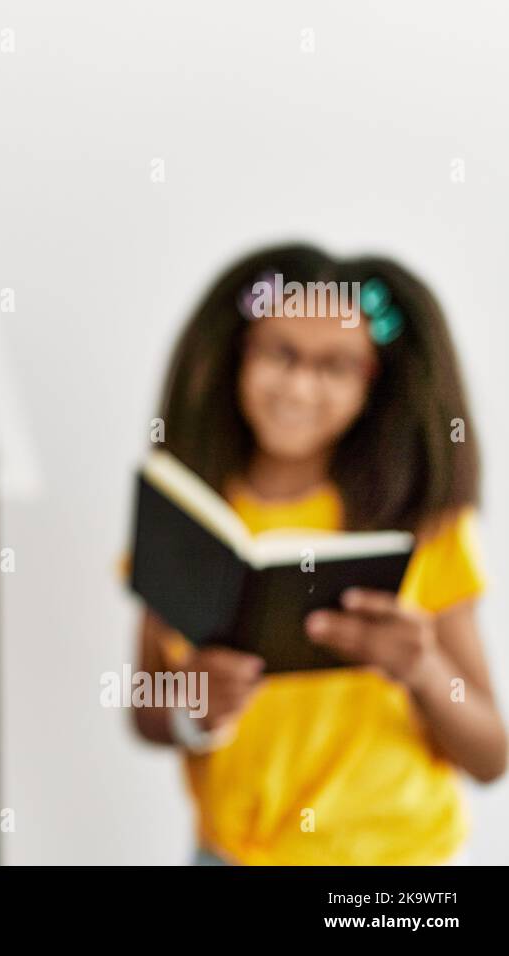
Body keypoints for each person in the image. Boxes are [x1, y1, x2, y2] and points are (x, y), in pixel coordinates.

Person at [131, 243, 507, 865]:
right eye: (281, 353)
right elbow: (144, 708)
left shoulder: (426, 524)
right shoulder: (187, 513)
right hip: (228, 852)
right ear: (238, 355)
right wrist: (195, 708)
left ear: (374, 381)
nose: (301, 385)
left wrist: (425, 670)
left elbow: (491, 756)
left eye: (336, 366)